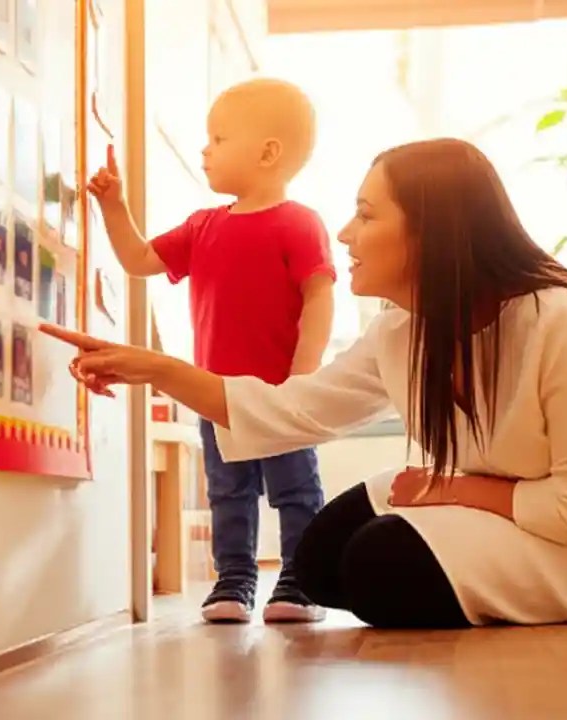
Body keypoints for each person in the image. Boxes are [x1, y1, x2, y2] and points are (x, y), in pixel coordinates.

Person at [50, 138, 567, 629]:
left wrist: (456, 489)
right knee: (322, 560)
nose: (345, 234)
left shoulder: (562, 319)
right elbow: (291, 410)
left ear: (432, 231)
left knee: (378, 565)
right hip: (523, 510)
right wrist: (151, 367)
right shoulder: (402, 330)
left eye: (365, 215)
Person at [86, 78, 337, 624]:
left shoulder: (299, 223)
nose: (205, 149)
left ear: (268, 153)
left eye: (219, 138)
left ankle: (301, 580)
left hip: (280, 394)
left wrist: (304, 373)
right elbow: (139, 260)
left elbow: (319, 296)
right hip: (215, 394)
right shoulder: (203, 227)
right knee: (230, 492)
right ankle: (235, 579)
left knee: (294, 489)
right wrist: (113, 207)